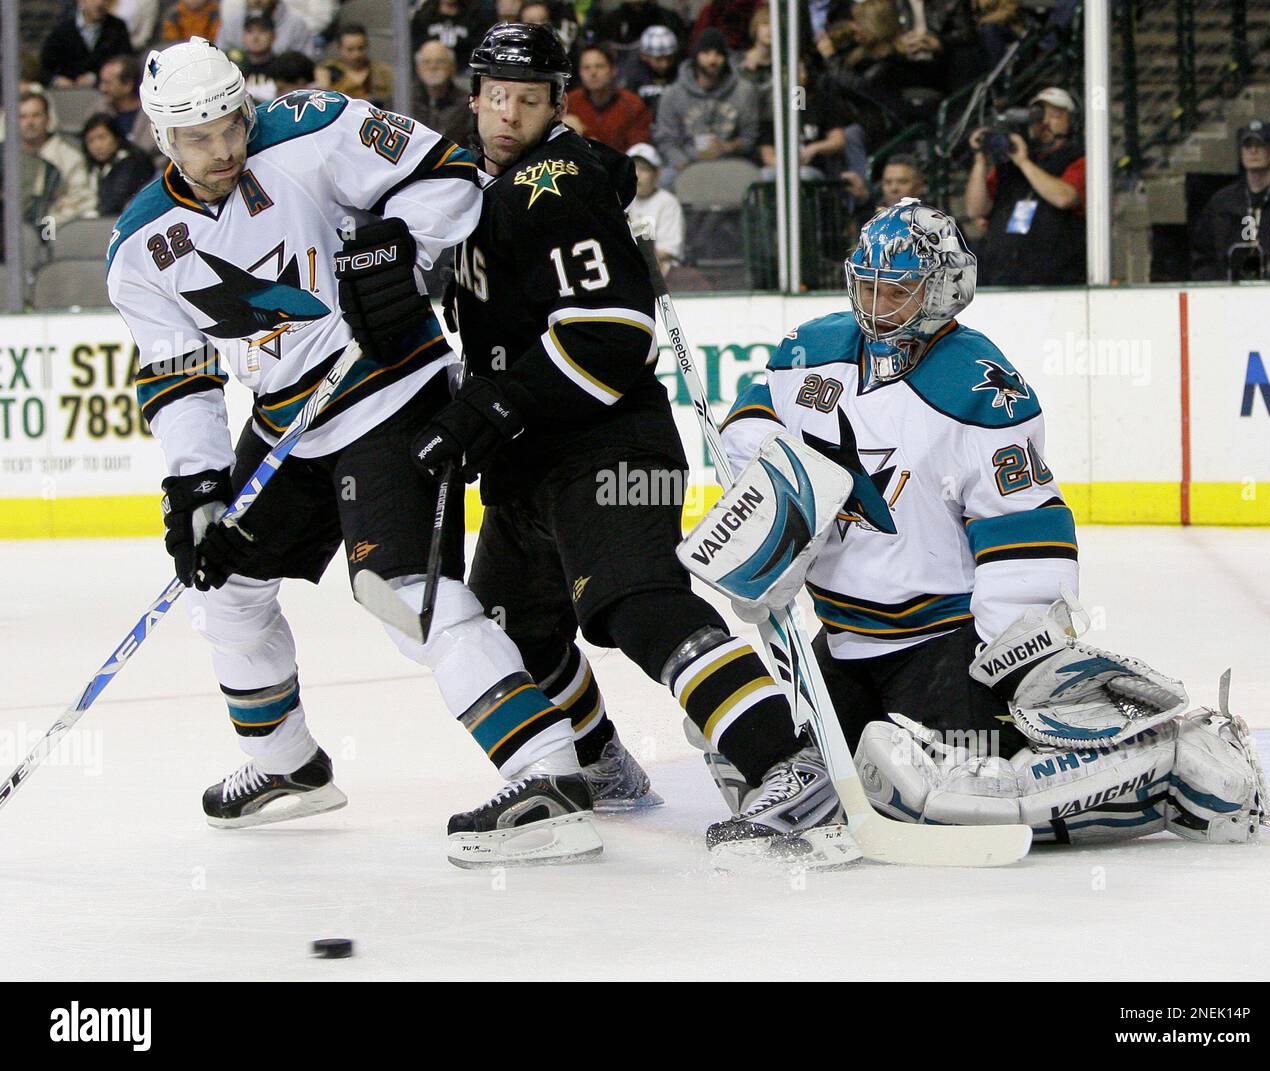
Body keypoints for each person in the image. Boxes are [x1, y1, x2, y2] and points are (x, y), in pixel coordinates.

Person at [339, 23, 838, 858]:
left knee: (638, 606)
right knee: (511, 629)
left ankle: (786, 762)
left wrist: (490, 405)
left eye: (527, 101)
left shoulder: (558, 182)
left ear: (556, 104)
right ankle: (598, 759)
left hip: (608, 447)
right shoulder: (474, 184)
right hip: (529, 460)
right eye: (495, 97)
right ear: (473, 99)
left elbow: (612, 334)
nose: (506, 115)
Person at [107, 37, 603, 867]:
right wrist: (193, 486)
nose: (224, 147)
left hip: (392, 386)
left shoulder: (310, 126)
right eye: (199, 138)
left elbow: (449, 173)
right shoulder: (139, 249)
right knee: (223, 582)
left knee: (401, 590)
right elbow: (181, 376)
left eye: (231, 124)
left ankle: (545, 772)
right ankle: (285, 763)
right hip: (285, 420)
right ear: (162, 138)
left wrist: (395, 241)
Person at [717, 198, 1270, 850]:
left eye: (895, 290)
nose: (874, 305)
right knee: (778, 771)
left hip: (943, 648)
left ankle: (1173, 763)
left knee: (958, 796)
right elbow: (750, 427)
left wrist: (1008, 657)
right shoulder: (809, 351)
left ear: (943, 288)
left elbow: (1023, 524)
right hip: (839, 641)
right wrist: (768, 534)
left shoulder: (980, 384)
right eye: (864, 285)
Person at [964, 86, 1086, 286]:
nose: (1044, 122)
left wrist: (1024, 163)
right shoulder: (1009, 165)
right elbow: (975, 209)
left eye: (1055, 115)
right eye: (1037, 116)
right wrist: (980, 159)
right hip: (1002, 276)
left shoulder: (1078, 159)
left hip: (1058, 281)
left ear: (1071, 121)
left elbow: (1064, 198)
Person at [1190, 120, 1270, 282]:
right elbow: (1202, 255)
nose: (1253, 151)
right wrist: (1219, 284)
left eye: (1260, 145)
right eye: (1247, 145)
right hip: (1229, 294)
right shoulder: (1223, 202)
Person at [653, 26, 760, 181]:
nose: (712, 60)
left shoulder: (744, 91)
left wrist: (728, 146)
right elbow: (666, 140)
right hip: (687, 164)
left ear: (726, 58)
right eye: (706, 53)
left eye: (718, 54)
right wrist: (684, 166)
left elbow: (750, 137)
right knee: (663, 179)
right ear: (696, 57)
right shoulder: (673, 94)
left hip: (732, 162)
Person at [17, 89, 98, 226]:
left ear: (48, 119)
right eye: (23, 117)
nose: (29, 122)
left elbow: (84, 200)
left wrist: (48, 220)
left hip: (55, 229)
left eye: (36, 115)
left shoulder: (70, 157)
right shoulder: (5, 156)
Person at [564, 43, 653, 153]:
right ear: (580, 73)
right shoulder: (568, 103)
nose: (593, 73)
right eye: (586, 68)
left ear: (613, 70)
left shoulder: (633, 105)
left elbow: (639, 151)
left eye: (599, 66)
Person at [41, 0, 136, 88]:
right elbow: (45, 69)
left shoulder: (117, 28)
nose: (100, 3)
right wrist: (57, 80)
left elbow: (126, 61)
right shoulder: (61, 31)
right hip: (68, 95)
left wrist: (96, 78)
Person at [82, 112, 156, 215]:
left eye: (102, 137)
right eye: (91, 140)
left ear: (116, 137)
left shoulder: (134, 162)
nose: (97, 146)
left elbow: (114, 202)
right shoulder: (94, 167)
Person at [99, 55, 166, 168]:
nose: (102, 88)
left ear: (127, 85)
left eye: (108, 83)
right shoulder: (100, 110)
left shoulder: (155, 111)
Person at [627, 141, 683, 272]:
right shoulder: (618, 201)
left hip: (663, 273)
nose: (637, 174)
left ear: (657, 174)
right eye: (632, 168)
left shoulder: (668, 202)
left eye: (644, 169)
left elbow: (668, 250)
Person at [316, 23, 395, 109]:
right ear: (339, 49)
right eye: (350, 50)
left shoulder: (383, 72)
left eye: (361, 48)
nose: (356, 55)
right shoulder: (326, 71)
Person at [412, 40, 473, 147]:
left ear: (452, 67)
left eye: (440, 61)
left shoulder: (468, 105)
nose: (433, 67)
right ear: (418, 68)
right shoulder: (403, 102)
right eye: (426, 62)